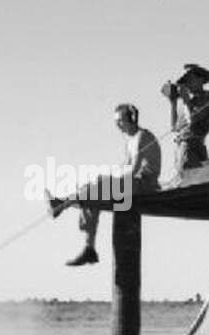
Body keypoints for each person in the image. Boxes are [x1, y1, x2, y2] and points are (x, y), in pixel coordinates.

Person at [50, 103, 160, 266]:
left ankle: (63, 203)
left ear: (131, 119)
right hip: (134, 182)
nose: (118, 125)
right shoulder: (130, 140)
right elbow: (126, 167)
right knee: (93, 191)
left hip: (146, 185)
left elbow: (134, 169)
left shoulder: (142, 137)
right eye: (116, 122)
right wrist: (107, 179)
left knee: (97, 188)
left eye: (120, 121)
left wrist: (108, 182)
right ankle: (89, 247)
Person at [164, 63, 209, 179]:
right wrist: (173, 103)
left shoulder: (207, 97)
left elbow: (192, 120)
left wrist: (186, 101)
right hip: (181, 146)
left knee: (191, 180)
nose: (187, 84)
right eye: (186, 81)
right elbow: (175, 127)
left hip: (193, 145)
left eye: (190, 79)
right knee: (183, 179)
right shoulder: (187, 102)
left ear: (201, 79)